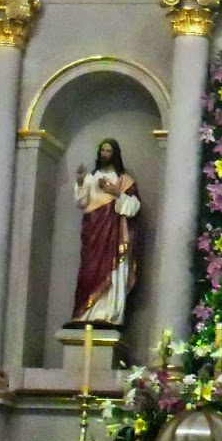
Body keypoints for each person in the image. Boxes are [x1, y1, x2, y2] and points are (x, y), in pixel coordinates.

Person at [71, 139, 140, 326]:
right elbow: (81, 202)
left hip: (113, 233)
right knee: (89, 271)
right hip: (93, 231)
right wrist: (79, 181)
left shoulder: (124, 180)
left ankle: (107, 314)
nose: (104, 154)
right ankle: (86, 313)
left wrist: (116, 192)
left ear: (115, 154)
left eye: (108, 151)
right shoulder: (90, 178)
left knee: (113, 270)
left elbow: (134, 207)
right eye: (102, 150)